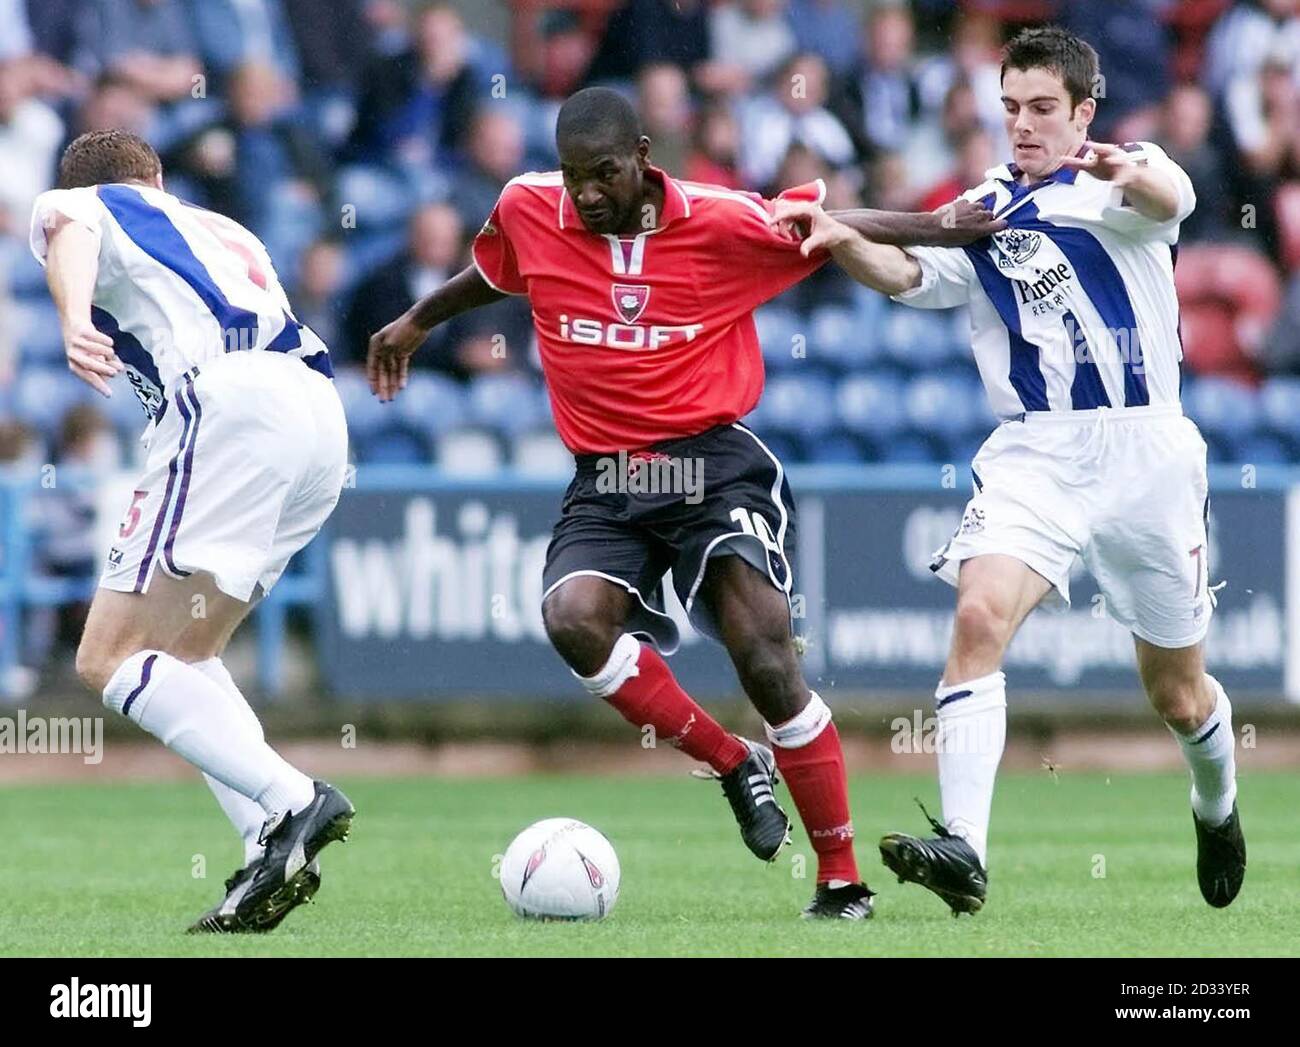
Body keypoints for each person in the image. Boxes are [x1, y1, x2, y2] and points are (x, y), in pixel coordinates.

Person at [366, 86, 1001, 919]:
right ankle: (733, 761)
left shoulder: (721, 221)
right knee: (572, 619)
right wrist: (416, 321)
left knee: (765, 653)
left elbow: (839, 223)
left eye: (603, 173)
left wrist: (954, 226)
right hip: (611, 476)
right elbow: (495, 273)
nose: (585, 193)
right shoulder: (529, 207)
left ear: (641, 156)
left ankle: (840, 880)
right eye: (572, 177)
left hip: (711, 467)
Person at [775, 27, 1246, 915]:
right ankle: (966, 849)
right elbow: (911, 271)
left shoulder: (1121, 181)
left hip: (1147, 454)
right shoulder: (985, 208)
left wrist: (1124, 169)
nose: (1023, 126)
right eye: (1011, 109)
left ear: (1082, 113)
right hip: (1038, 452)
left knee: (1178, 694)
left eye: (1041, 109)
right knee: (979, 612)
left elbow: (1170, 189)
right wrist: (840, 237)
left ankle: (1216, 803)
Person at [30, 129, 354, 933]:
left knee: (104, 656)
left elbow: (71, 228)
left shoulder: (88, 200)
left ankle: (293, 798)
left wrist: (73, 318)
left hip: (227, 402)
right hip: (316, 411)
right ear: (163, 177)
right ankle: (266, 838)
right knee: (187, 650)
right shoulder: (226, 228)